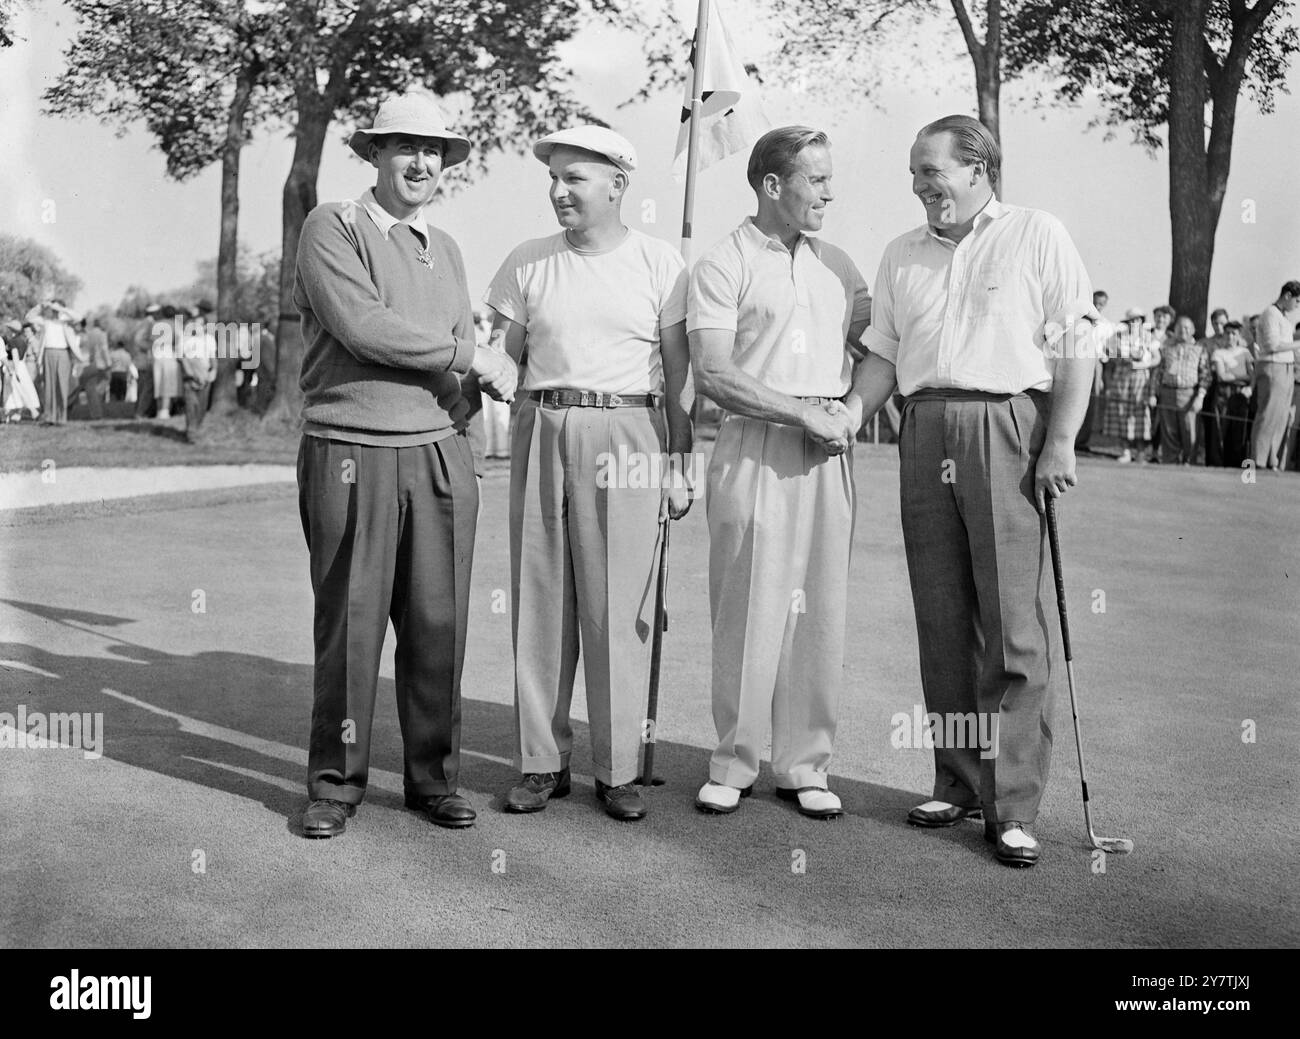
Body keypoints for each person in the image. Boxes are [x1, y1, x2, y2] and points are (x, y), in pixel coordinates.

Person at [854, 114, 1098, 867]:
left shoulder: (1036, 232)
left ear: (978, 167)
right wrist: (842, 415)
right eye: (914, 176)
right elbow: (883, 356)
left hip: (1005, 424)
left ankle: (1014, 803)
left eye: (932, 171)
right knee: (942, 613)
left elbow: (1075, 339)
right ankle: (958, 780)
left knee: (1012, 623)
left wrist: (1059, 438)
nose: (922, 187)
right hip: (922, 426)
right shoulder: (902, 251)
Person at [292, 90, 516, 839]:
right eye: (404, 148)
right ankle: (335, 784)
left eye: (435, 151)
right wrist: (469, 356)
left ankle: (433, 778)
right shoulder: (333, 224)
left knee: (438, 626)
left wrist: (467, 436)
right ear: (375, 154)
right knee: (352, 627)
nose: (421, 162)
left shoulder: (445, 246)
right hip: (353, 449)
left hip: (439, 454)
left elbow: (457, 364)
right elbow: (365, 328)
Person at [486, 125, 693, 822]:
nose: (558, 190)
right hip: (543, 423)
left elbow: (679, 377)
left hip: (630, 430)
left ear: (617, 185)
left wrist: (681, 463)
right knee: (542, 596)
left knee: (617, 606)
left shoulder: (661, 264)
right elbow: (502, 358)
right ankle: (543, 760)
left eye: (575, 178)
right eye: (553, 177)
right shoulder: (527, 262)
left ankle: (619, 768)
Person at [688, 126, 871, 820]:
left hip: (827, 448)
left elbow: (880, 348)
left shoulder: (839, 266)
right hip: (754, 443)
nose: (829, 191)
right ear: (773, 185)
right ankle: (735, 760)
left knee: (819, 608)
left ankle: (805, 764)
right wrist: (805, 414)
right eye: (816, 179)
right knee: (748, 606)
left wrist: (852, 409)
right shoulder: (723, 262)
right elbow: (714, 372)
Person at [1250, 280, 1300, 471]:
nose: (1297, 306)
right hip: (1273, 367)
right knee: (1268, 414)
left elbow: (1285, 340)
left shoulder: (1283, 316)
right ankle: (1258, 461)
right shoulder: (1270, 313)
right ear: (1287, 296)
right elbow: (1272, 345)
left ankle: (1271, 460)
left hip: (1285, 368)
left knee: (1280, 417)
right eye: (1297, 301)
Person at [1148, 315, 1210, 465]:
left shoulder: (1200, 350)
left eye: (1187, 327)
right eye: (1180, 327)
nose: (1183, 331)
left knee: (1190, 431)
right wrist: (1153, 394)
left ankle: (1189, 462)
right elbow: (1158, 372)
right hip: (1167, 393)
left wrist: (1200, 396)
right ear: (1174, 330)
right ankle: (1170, 463)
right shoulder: (1166, 348)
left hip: (1189, 394)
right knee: (1169, 432)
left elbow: (1206, 375)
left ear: (1193, 330)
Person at [1102, 307, 1160, 463]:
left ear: (1142, 321)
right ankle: (1126, 450)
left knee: (1140, 413)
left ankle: (1141, 452)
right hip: (1121, 378)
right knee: (1122, 412)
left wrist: (1143, 364)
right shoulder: (1118, 337)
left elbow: (1157, 358)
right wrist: (1121, 358)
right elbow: (1107, 355)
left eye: (1137, 319)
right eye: (1131, 320)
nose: (1134, 323)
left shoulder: (1149, 337)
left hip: (1141, 379)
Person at [24, 298, 85, 424]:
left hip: (63, 353)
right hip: (48, 353)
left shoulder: (66, 322)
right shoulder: (46, 321)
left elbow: (79, 317)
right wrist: (41, 306)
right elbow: (29, 317)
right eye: (53, 309)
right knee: (49, 386)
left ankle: (61, 417)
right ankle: (49, 416)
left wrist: (61, 309)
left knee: (62, 385)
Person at [1206, 320, 1254, 468]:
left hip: (1241, 393)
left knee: (1239, 429)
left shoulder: (1245, 352)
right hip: (1223, 392)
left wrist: (1249, 386)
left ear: (1239, 335)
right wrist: (1243, 376)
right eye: (1227, 333)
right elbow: (1222, 376)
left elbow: (1253, 375)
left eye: (1234, 333)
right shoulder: (1218, 352)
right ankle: (1218, 464)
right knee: (1220, 427)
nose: (1230, 336)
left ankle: (1236, 464)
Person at [1075, 288, 1110, 454]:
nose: (1098, 306)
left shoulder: (1106, 324)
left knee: (1092, 401)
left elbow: (1108, 350)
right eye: (1096, 302)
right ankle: (1072, 438)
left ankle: (1083, 440)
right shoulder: (1080, 320)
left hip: (1096, 362)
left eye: (1101, 304)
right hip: (1079, 358)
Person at [477, 312, 511, 459]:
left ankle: (501, 449)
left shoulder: (500, 331)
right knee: (486, 415)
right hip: (483, 376)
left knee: (501, 414)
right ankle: (488, 449)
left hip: (500, 374)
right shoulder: (475, 330)